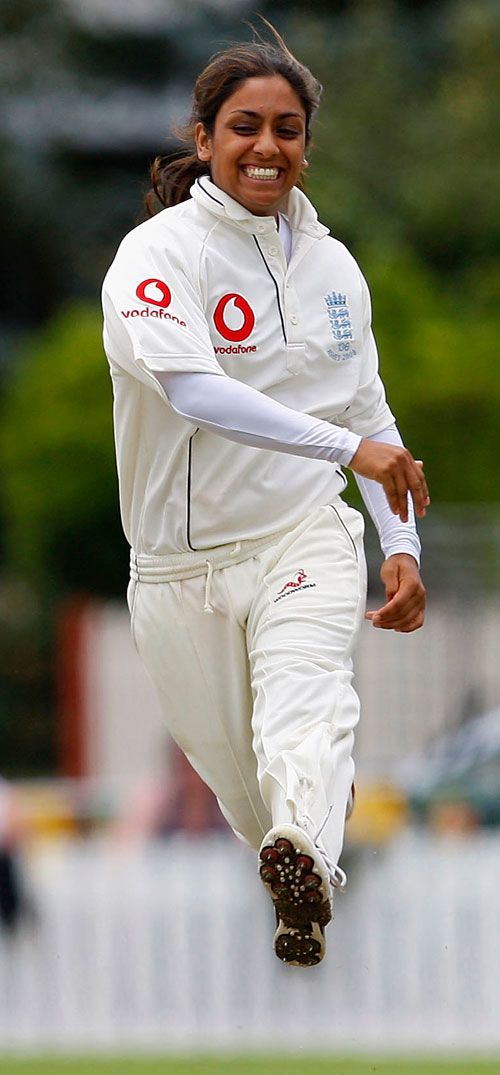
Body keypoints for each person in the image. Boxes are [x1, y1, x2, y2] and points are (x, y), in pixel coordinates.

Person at [101, 26, 428, 968]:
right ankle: (299, 870)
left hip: (301, 532)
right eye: (245, 126)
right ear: (204, 138)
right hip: (178, 571)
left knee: (309, 705)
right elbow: (193, 391)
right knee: (251, 796)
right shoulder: (157, 256)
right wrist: (352, 449)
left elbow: (368, 410)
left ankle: (310, 845)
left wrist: (401, 541)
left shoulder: (335, 269)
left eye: (287, 129)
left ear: (306, 147)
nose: (267, 146)